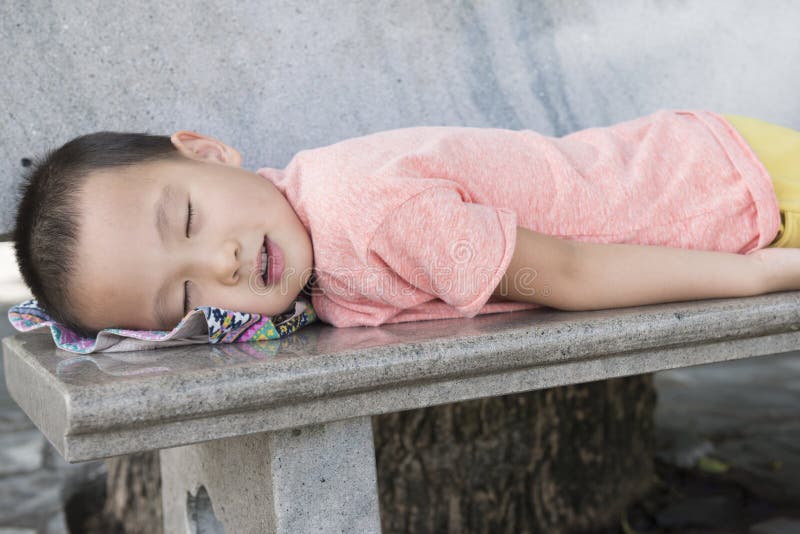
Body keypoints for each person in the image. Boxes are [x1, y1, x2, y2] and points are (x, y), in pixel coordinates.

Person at [11, 109, 800, 338]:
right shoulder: (306, 233)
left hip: (733, 198)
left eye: (186, 217)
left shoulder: (362, 216)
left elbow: (570, 274)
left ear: (210, 152)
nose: (217, 266)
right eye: (178, 299)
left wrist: (764, 276)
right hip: (706, 173)